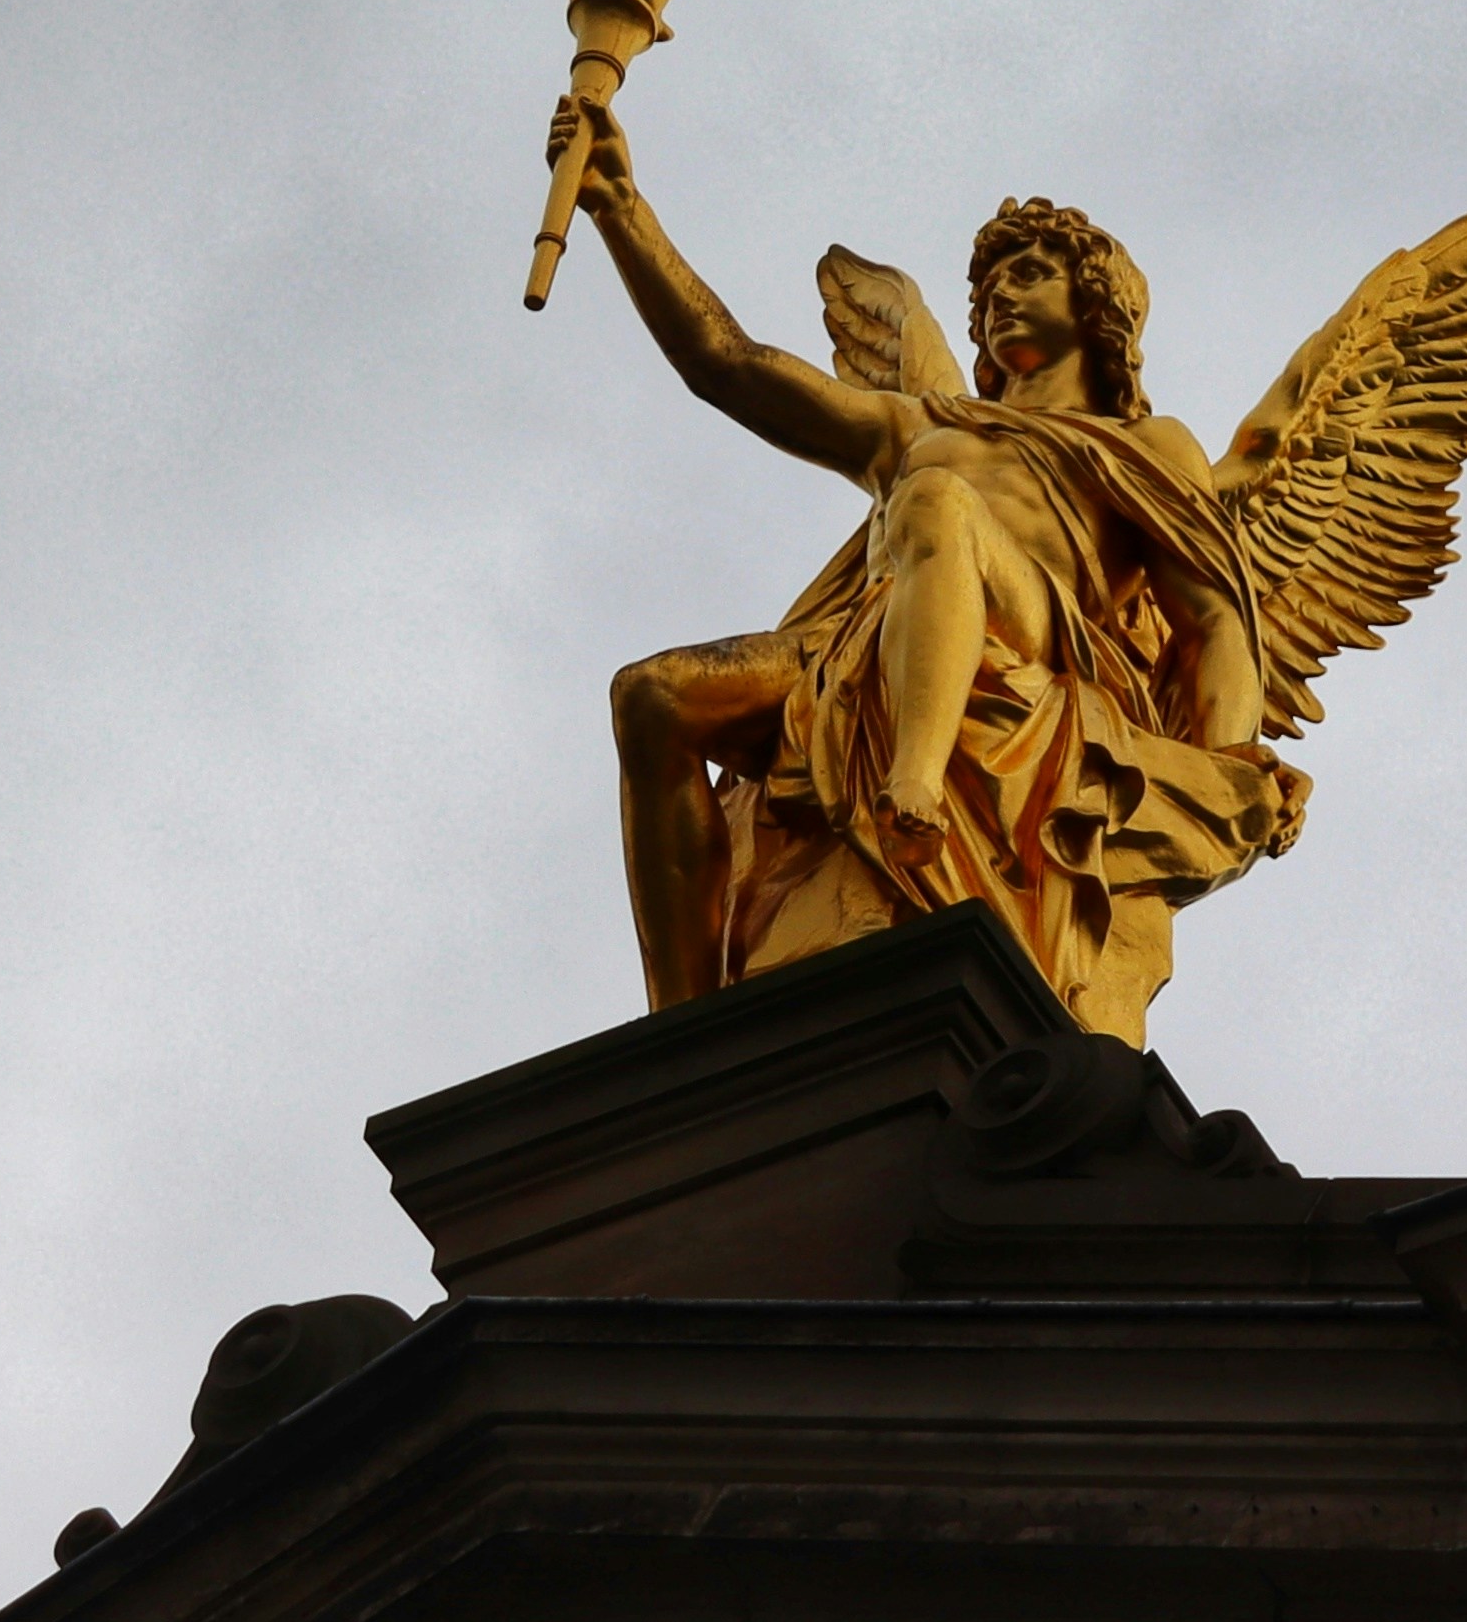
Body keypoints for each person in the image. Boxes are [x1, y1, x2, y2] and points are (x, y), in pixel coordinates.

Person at [551, 92, 1302, 1043]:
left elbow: (1213, 620)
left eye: (1031, 274)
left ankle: (914, 779)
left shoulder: (1148, 444)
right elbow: (727, 363)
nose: (999, 300)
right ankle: (681, 1034)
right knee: (653, 698)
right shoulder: (925, 424)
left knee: (937, 498)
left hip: (1038, 639)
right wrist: (621, 208)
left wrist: (1229, 764)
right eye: (988, 291)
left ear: (1098, 301)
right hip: (877, 643)